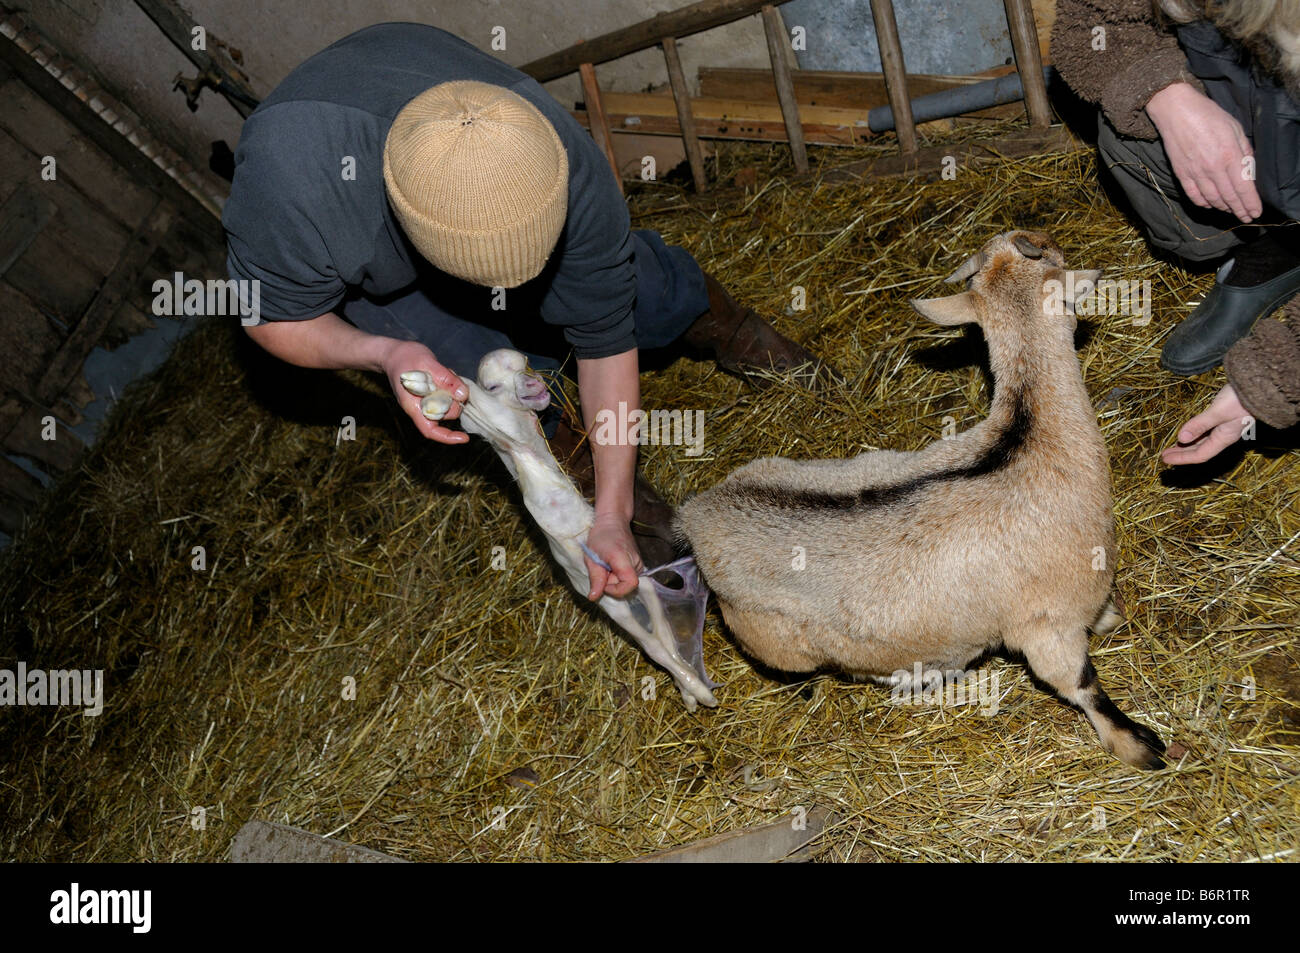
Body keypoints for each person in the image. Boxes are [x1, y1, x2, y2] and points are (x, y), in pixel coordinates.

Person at [223, 23, 832, 598]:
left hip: (493, 188)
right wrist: (381, 352)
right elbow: (272, 316)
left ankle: (728, 328)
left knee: (639, 289)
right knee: (483, 381)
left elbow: (604, 336)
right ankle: (600, 493)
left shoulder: (548, 147)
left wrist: (611, 512)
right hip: (383, 279)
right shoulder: (292, 191)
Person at [1052, 0, 1300, 462]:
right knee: (1129, 133)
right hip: (1267, 113)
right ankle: (1272, 252)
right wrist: (1166, 95)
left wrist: (1279, 374)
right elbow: (1086, 25)